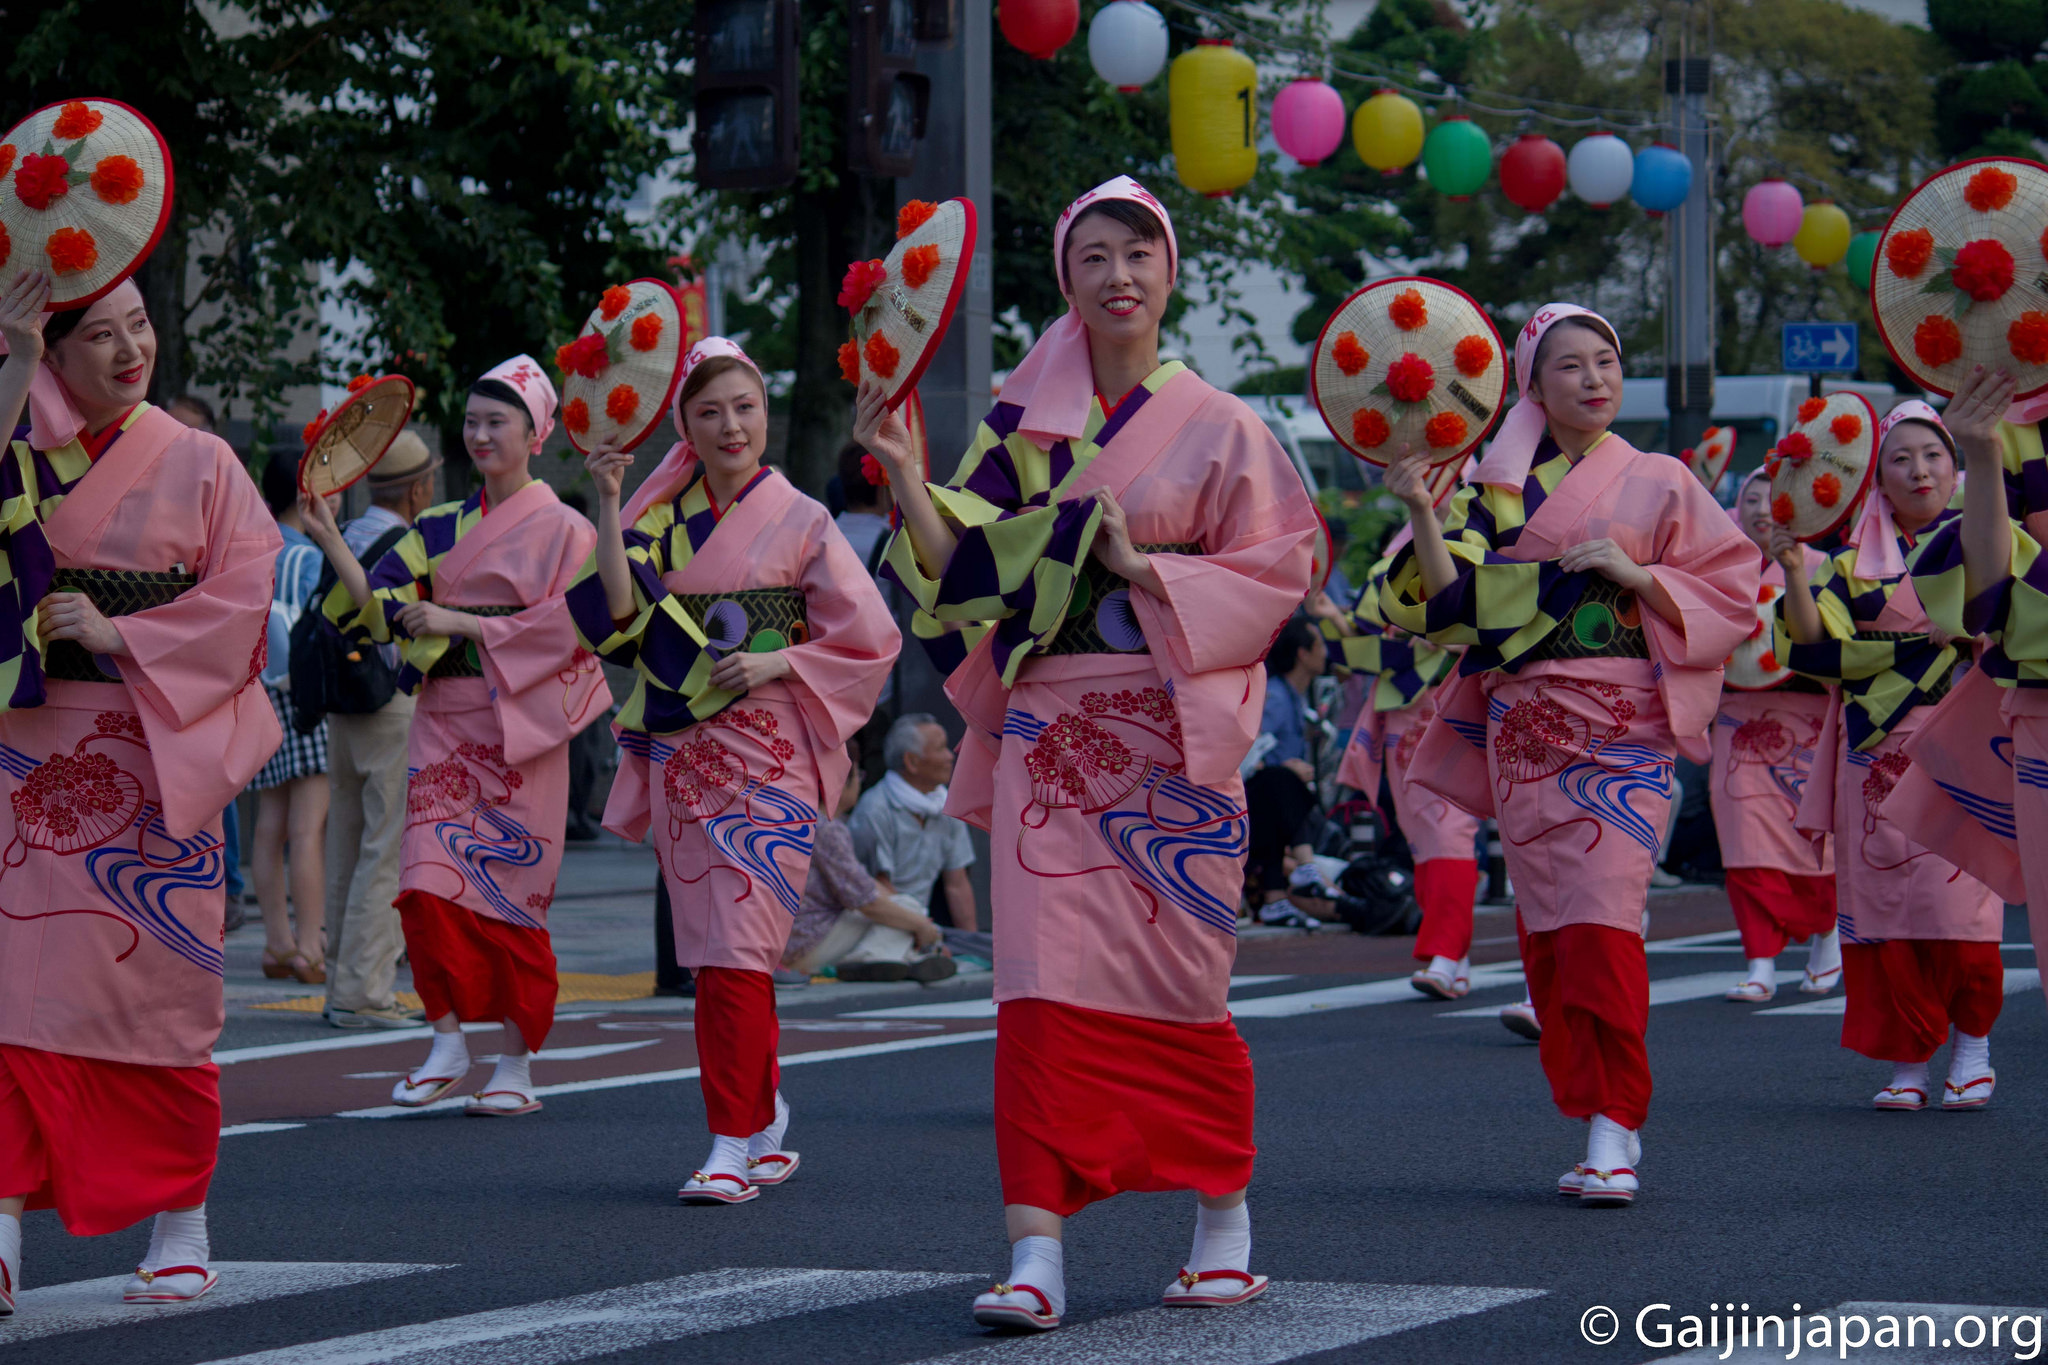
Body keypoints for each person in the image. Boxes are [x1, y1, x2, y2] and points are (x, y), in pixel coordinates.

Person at [857, 176, 1318, 1328]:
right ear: (1065, 282)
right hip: (1048, 734)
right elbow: (957, 576)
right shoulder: (1019, 428)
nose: (1118, 276)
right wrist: (908, 477)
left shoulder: (1221, 423)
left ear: (1168, 275)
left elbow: (1277, 577)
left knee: (1184, 982)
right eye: (1094, 257)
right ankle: (1035, 1258)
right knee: (1037, 987)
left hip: (1168, 733)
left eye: (1137, 254)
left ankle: (1223, 1227)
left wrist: (1146, 567)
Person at [1382, 303, 1756, 1207]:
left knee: (1601, 921)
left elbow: (1735, 589)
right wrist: (1422, 513)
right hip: (1527, 733)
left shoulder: (1661, 478)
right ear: (1531, 385)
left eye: (1606, 362)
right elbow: (1446, 605)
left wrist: (1641, 578)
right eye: (1570, 366)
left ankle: (1616, 1128)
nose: (1594, 379)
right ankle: (1596, 1114)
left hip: (1625, 732)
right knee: (1550, 935)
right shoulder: (1490, 488)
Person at [0, 272, 281, 1310]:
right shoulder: (20, 452)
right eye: (100, 338)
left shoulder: (203, 460)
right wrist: (14, 361)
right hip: (30, 746)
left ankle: (181, 1217)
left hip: (158, 749)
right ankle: (2, 1234)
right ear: (56, 354)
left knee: (161, 1003)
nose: (130, 353)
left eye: (140, 329)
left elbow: (248, 602)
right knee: (12, 997)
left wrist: (127, 634)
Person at [571, 336, 896, 1204]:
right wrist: (607, 500)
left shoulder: (803, 517)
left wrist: (777, 664)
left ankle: (729, 1138)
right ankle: (761, 1118)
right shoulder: (660, 515)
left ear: (766, 415)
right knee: (719, 954)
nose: (730, 425)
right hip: (688, 753)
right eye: (709, 411)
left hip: (773, 747)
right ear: (684, 421)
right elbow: (616, 613)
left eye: (745, 407)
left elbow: (867, 638)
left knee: (742, 945)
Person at [304, 356, 607, 1116]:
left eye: (495, 421)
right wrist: (330, 539)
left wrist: (462, 620)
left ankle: (517, 1064)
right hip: (444, 720)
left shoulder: (567, 529)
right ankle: (447, 1037)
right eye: (470, 422)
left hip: (520, 732)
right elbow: (378, 612)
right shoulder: (437, 526)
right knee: (423, 885)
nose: (479, 434)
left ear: (536, 433)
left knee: (510, 902)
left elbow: (573, 628)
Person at [1775, 399, 2003, 1110]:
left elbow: (2009, 621)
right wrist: (1790, 568)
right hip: (1872, 750)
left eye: (1933, 454)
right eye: (1900, 457)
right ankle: (1910, 1060)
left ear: (1956, 463)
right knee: (1885, 907)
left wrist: (1959, 641)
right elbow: (1815, 649)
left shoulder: (1986, 539)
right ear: (1876, 475)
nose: (1918, 469)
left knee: (1959, 906)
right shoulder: (1845, 562)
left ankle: (1973, 1046)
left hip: (1959, 741)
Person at [321, 431, 440, 1029]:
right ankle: (364, 990)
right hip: (390, 706)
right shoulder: (410, 542)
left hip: (341, 706)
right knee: (385, 848)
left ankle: (339, 977)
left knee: (343, 842)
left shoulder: (345, 537)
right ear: (419, 489)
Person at [1713, 468, 1839, 1004]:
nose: (1763, 509)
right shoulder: (1717, 568)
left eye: (1775, 499)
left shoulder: (1825, 567)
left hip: (1807, 718)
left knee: (1815, 841)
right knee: (1744, 839)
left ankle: (1828, 937)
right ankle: (1760, 961)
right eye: (1753, 499)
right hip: (1737, 719)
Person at [1334, 540, 1479, 998]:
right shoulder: (1387, 564)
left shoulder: (1477, 542)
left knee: (1449, 830)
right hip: (1404, 707)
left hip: (1454, 701)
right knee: (1420, 836)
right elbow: (1360, 642)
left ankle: (1443, 952)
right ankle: (1456, 956)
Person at [164, 392, 247, 928]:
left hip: (200, 661)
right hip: (136, 662)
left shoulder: (224, 492)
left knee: (218, 778)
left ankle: (229, 883)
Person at [249, 453, 331, 985]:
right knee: (308, 829)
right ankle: (310, 946)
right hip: (306, 701)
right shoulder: (307, 556)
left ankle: (277, 942)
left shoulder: (253, 549)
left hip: (260, 701)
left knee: (268, 826)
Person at [787, 741, 957, 982]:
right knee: (907, 909)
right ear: (840, 779)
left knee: (904, 908)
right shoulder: (826, 828)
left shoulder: (798, 820)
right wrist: (924, 927)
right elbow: (866, 901)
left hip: (791, 940)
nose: (860, 782)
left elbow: (862, 884)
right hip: (807, 944)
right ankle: (875, 959)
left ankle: (900, 959)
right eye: (858, 774)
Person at [848, 713, 979, 933]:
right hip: (879, 923)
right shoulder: (875, 809)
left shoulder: (945, 804)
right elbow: (881, 886)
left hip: (921, 925)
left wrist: (971, 941)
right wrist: (920, 932)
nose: (950, 756)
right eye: (941, 748)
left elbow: (957, 884)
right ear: (912, 761)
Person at [1243, 619, 1328, 928]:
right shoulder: (1277, 696)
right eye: (1320, 645)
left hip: (1277, 802)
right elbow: (1247, 749)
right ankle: (1306, 869)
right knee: (1283, 781)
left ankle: (1277, 900)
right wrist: (1286, 766)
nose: (1326, 652)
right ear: (1303, 654)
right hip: (1255, 790)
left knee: (1285, 786)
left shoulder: (1297, 695)